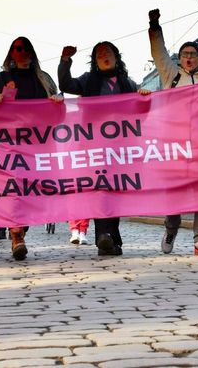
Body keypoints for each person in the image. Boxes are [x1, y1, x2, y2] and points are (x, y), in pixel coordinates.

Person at [58, 41, 150, 256]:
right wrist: (65, 61)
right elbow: (67, 85)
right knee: (101, 189)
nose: (104, 56)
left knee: (114, 191)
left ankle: (111, 239)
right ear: (95, 62)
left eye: (108, 52)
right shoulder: (88, 80)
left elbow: (140, 114)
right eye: (99, 55)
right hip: (94, 146)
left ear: (116, 57)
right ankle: (104, 236)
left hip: (121, 148)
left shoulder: (129, 83)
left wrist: (144, 99)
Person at [0, 36, 62, 261]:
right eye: (18, 48)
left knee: (32, 190)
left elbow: (58, 117)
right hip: (6, 145)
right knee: (13, 190)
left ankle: (21, 227)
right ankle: (16, 233)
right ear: (11, 53)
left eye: (27, 48)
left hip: (37, 144)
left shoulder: (44, 79)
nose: (23, 52)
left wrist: (58, 104)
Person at [148, 8, 198, 256]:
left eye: (192, 54)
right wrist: (155, 26)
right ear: (179, 58)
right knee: (175, 193)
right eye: (184, 54)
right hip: (175, 144)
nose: (188, 57)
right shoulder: (171, 75)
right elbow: (159, 52)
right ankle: (171, 228)